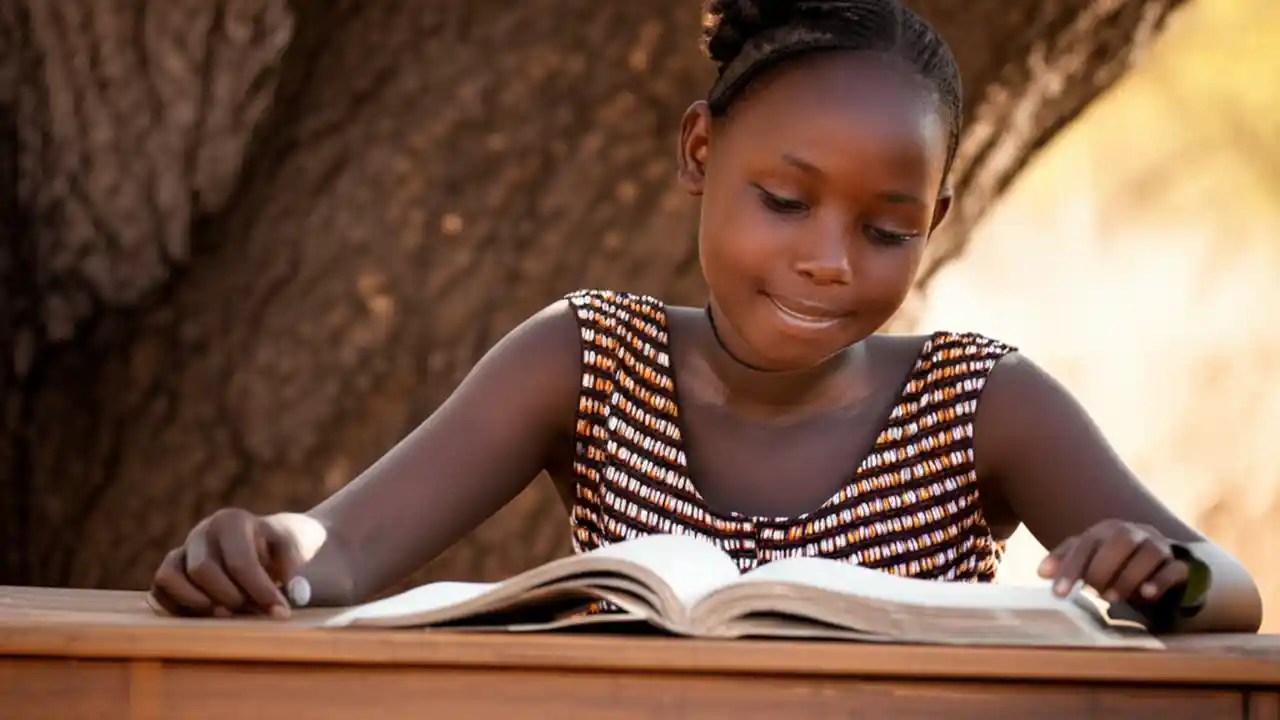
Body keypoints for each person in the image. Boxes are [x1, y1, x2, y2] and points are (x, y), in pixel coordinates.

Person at [150, 0, 1263, 634]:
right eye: (782, 202)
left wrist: (1161, 570)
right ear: (698, 152)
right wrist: (264, 547)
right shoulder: (586, 360)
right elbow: (340, 549)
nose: (826, 262)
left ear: (937, 215)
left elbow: (1231, 590)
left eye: (887, 229)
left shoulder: (980, 403)